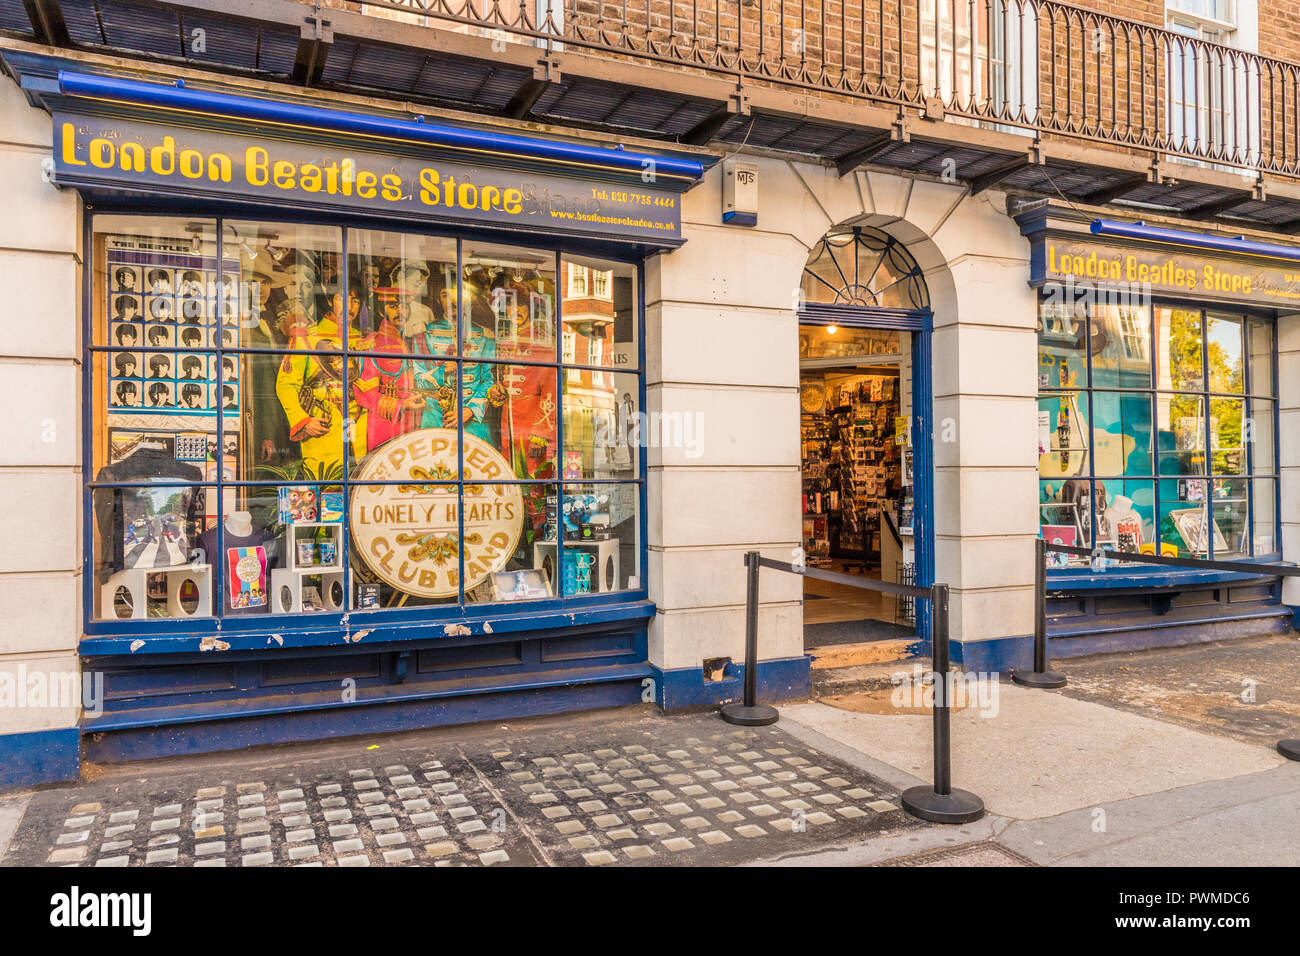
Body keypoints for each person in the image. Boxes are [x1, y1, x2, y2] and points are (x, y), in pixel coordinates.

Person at [274, 286, 367, 475]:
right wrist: (303, 420)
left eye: (355, 301)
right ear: (330, 300)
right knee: (326, 489)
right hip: (323, 428)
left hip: (361, 430)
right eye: (343, 298)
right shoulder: (306, 337)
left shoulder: (364, 340)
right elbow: (286, 384)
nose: (350, 307)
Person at [354, 285, 422, 451]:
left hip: (414, 424)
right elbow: (363, 392)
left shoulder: (410, 343)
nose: (401, 311)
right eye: (393, 306)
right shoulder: (371, 344)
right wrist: (401, 405)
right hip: (385, 424)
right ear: (380, 311)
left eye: (404, 306)